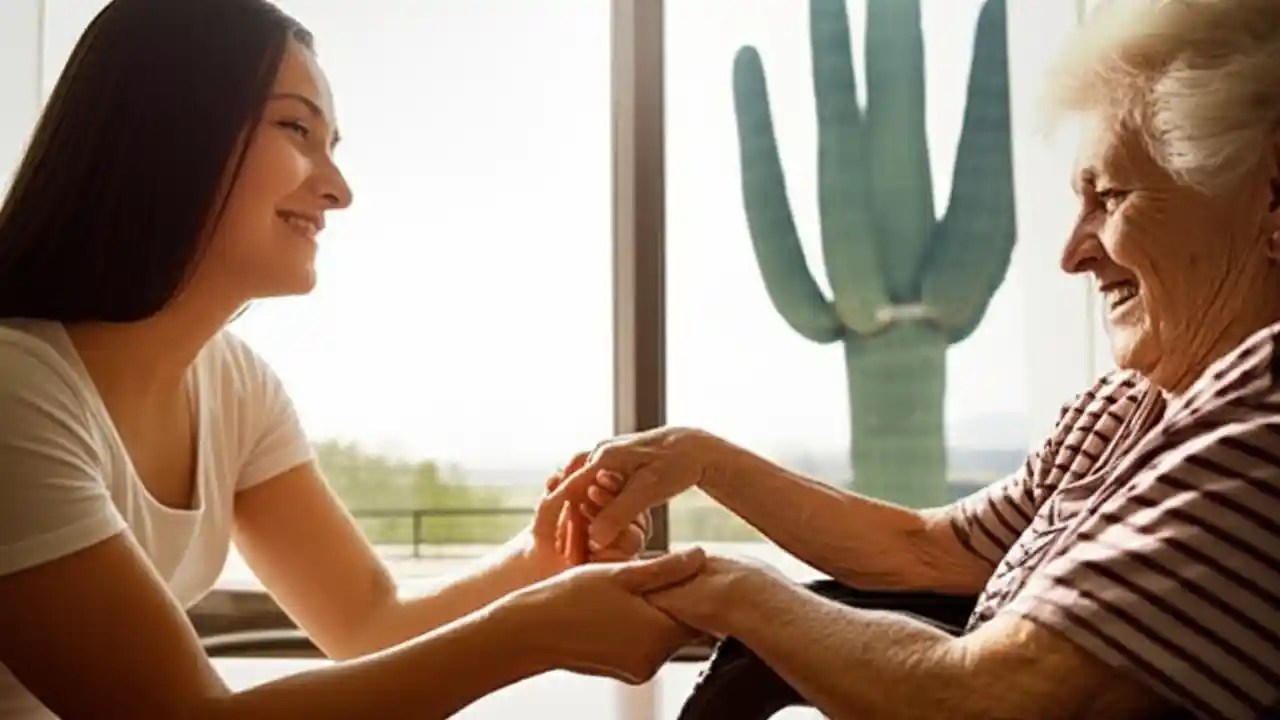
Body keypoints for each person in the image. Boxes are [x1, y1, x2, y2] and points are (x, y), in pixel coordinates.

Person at [555, 0, 1280, 717]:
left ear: (1272, 197)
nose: (1071, 253)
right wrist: (704, 460)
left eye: (1111, 198)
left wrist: (731, 590)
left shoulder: (1262, 419)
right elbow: (926, 550)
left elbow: (988, 701)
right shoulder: (1129, 407)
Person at [0, 1, 702, 718]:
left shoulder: (233, 386)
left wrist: (540, 560)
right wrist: (532, 633)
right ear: (166, 131)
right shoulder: (13, 390)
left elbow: (370, 624)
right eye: (297, 129)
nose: (338, 189)